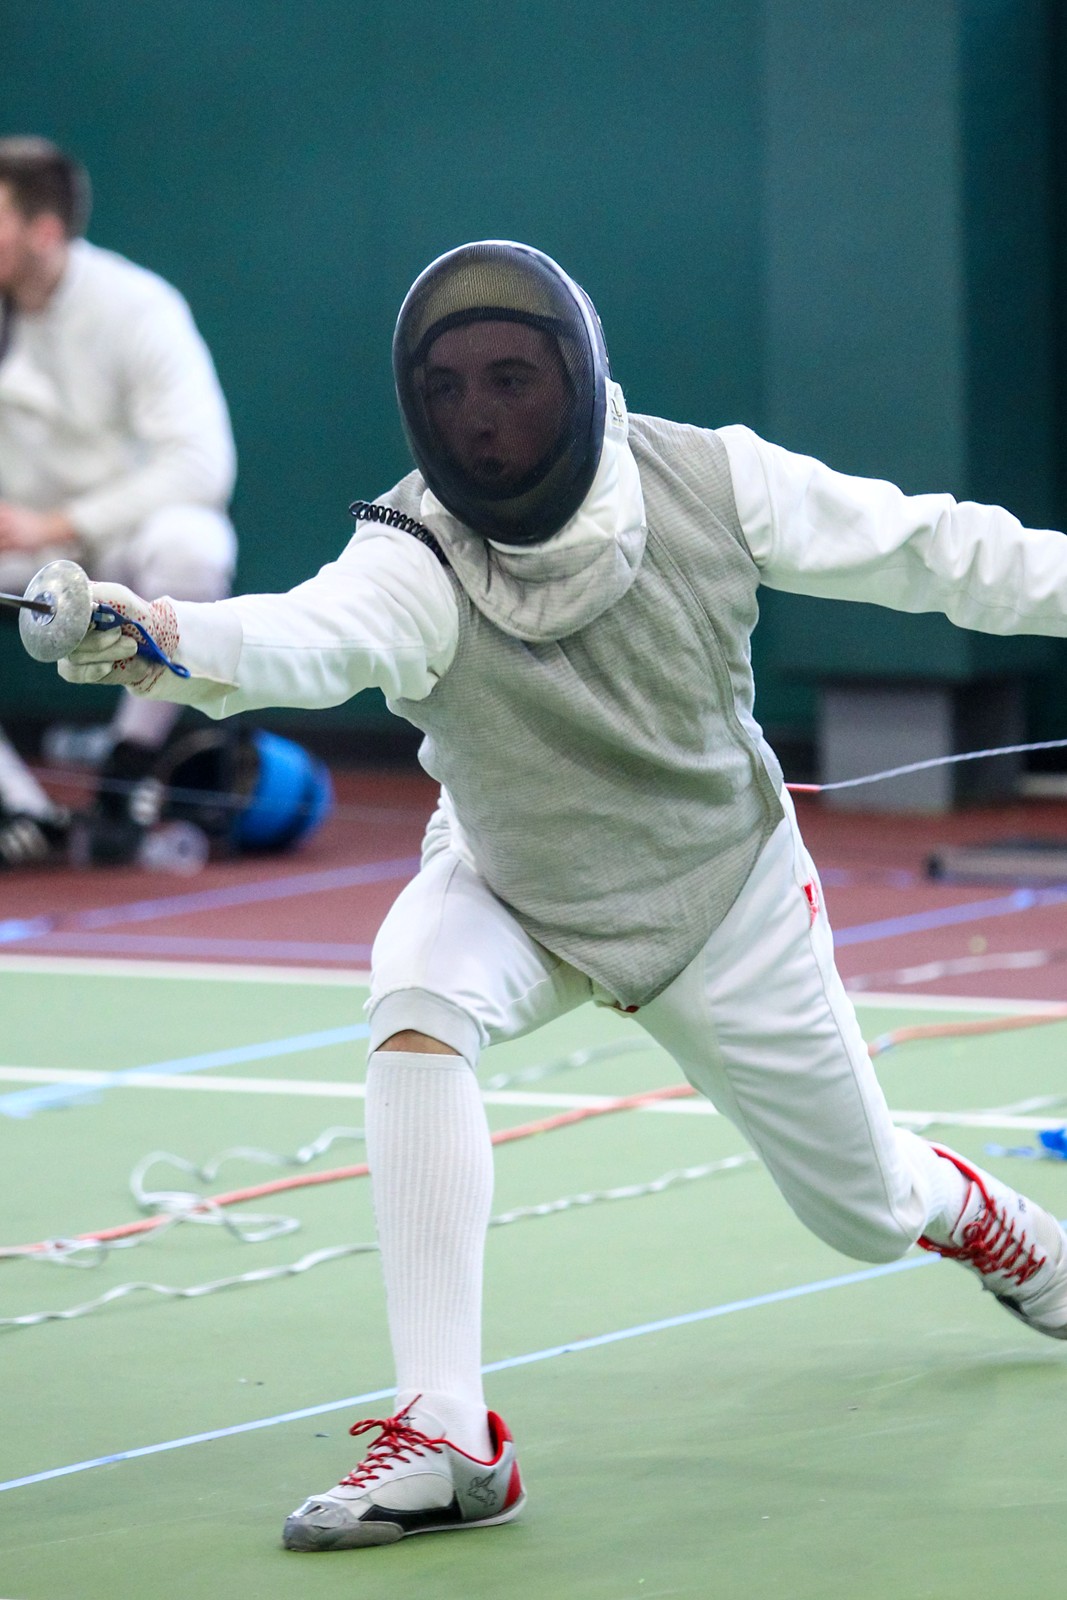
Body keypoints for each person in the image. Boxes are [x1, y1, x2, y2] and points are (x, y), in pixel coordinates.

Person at [56, 240, 1067, 1551]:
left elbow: (941, 555)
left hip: (720, 897)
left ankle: (990, 1222)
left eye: (511, 379)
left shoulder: (710, 479)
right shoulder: (412, 553)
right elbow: (302, 637)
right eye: (451, 387)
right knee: (415, 994)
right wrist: (157, 633)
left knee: (862, 1209)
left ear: (578, 377)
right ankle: (449, 1430)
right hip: (508, 878)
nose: (480, 415)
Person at [0, 136, 237, 866]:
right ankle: (24, 812)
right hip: (20, 556)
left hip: (112, 544)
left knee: (194, 546)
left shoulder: (137, 306)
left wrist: (66, 522)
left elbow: (203, 464)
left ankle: (126, 773)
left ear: (43, 230)